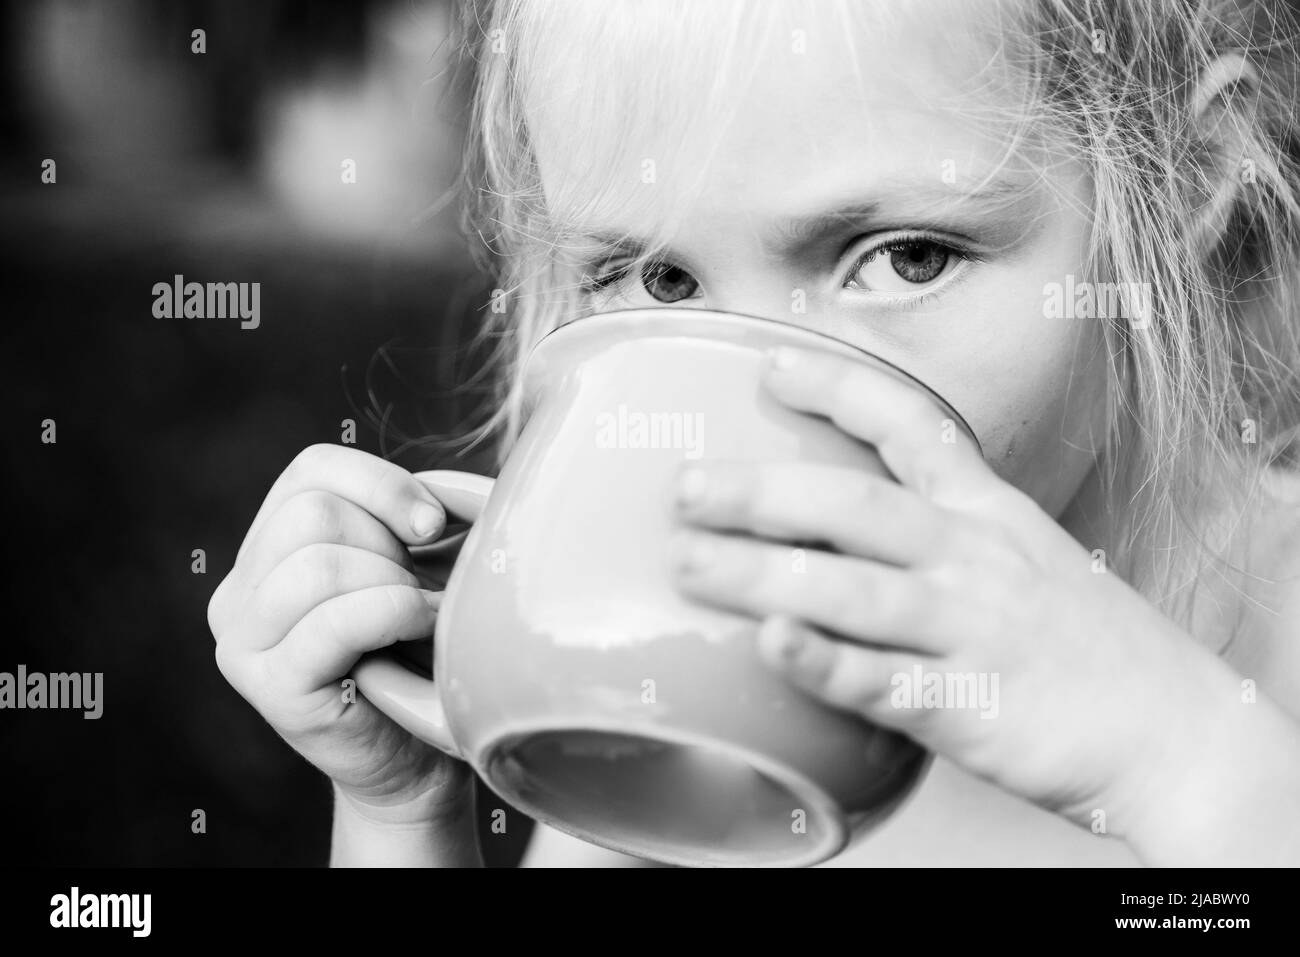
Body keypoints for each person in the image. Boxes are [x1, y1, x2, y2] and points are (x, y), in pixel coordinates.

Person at [209, 0, 1300, 866]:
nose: (769, 404)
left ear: (1191, 180)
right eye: (657, 278)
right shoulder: (675, 706)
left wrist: (1180, 762)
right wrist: (402, 819)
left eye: (906, 256)